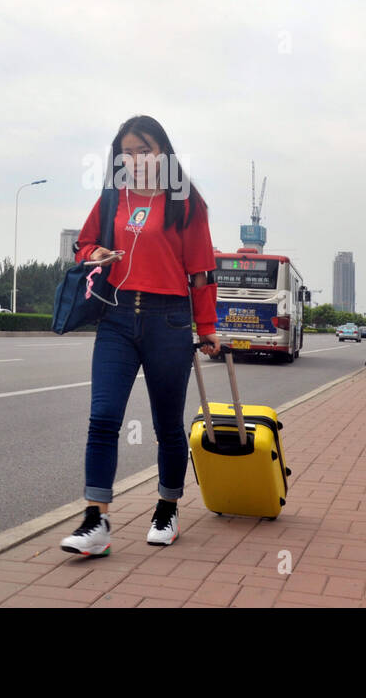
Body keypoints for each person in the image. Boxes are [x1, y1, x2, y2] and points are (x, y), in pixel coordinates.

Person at [60, 115, 222, 557]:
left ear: (163, 152)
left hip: (167, 321)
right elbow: (84, 244)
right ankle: (96, 521)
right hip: (116, 318)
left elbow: (202, 273)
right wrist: (99, 253)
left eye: (144, 150)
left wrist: (206, 328)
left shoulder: (186, 203)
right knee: (103, 418)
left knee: (168, 425)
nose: (135, 159)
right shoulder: (112, 197)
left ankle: (167, 508)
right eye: (126, 152)